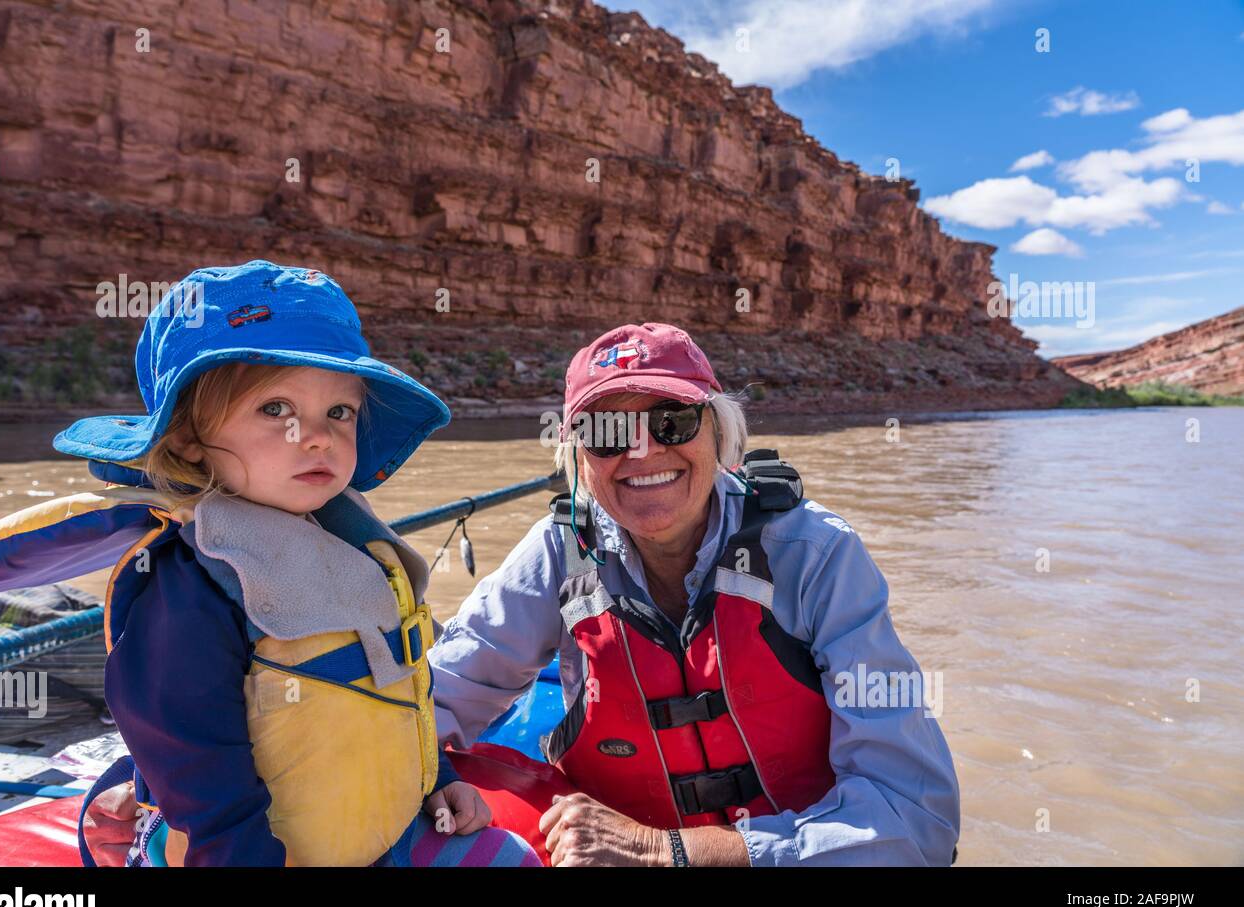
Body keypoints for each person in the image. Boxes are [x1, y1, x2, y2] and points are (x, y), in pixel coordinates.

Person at [83, 321, 959, 866]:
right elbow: (435, 690)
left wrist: (677, 854)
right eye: (608, 430)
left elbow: (916, 820)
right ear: (579, 457)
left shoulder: (817, 555)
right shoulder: (562, 548)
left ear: (720, 435)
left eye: (672, 420)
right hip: (604, 840)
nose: (642, 452)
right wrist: (171, 769)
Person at [0, 260, 539, 866]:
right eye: (276, 410)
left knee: (510, 857)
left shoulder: (351, 545)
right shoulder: (191, 583)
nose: (318, 436)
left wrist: (437, 781)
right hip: (250, 851)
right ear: (189, 438)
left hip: (382, 827)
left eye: (340, 412)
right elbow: (196, 765)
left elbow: (395, 693)